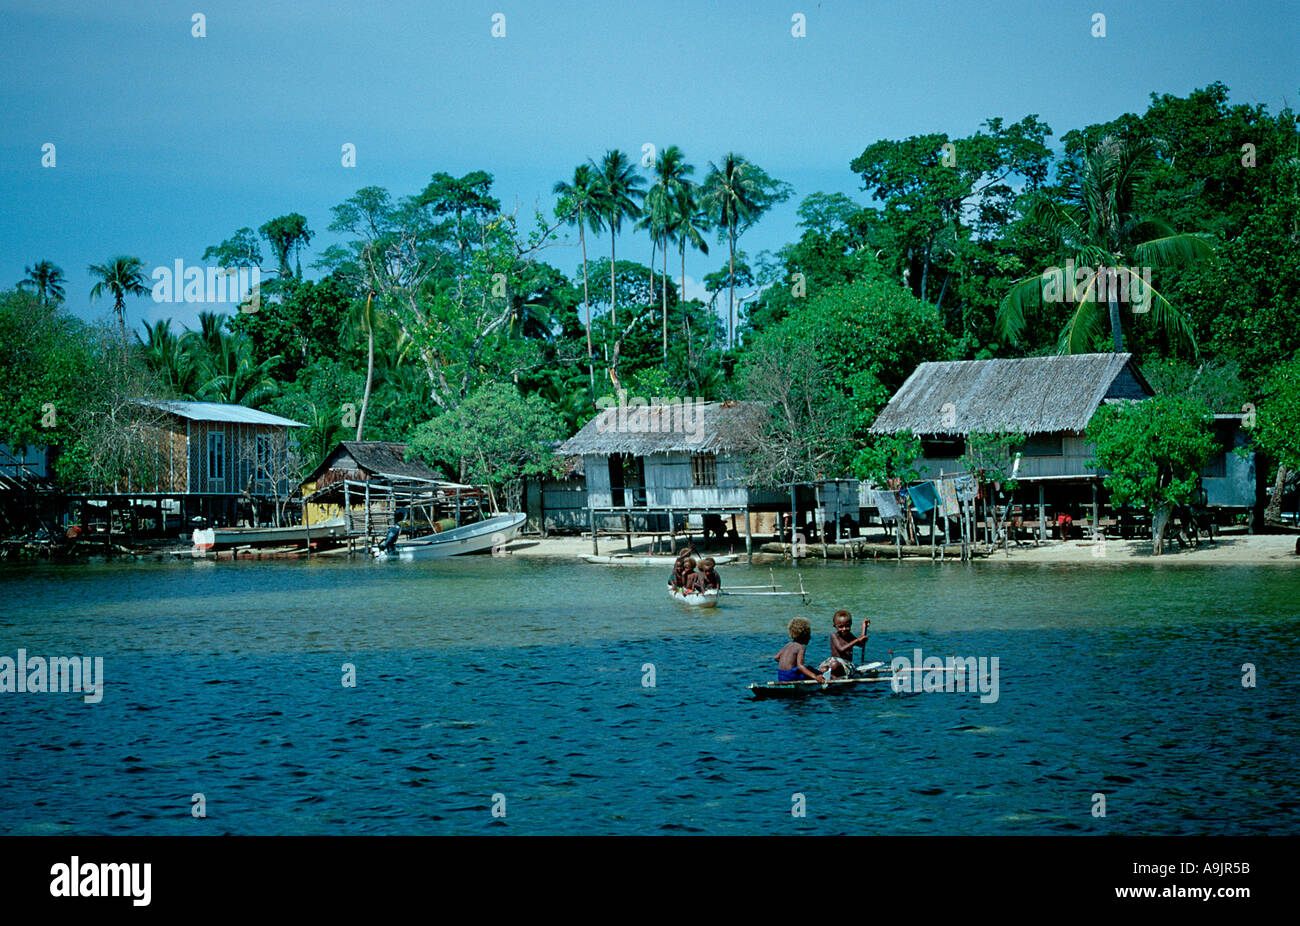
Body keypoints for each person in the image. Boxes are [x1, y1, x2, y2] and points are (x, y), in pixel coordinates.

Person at [819, 609, 869, 678]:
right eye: (841, 627)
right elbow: (841, 649)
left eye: (847, 626)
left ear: (851, 625)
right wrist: (857, 640)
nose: (844, 629)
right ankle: (829, 676)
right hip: (834, 661)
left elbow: (861, 644)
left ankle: (832, 676)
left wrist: (864, 626)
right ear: (835, 626)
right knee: (824, 668)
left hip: (845, 664)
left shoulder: (850, 635)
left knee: (834, 665)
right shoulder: (834, 635)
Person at [774, 617, 824, 683]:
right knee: (810, 670)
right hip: (791, 676)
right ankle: (823, 677)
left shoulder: (788, 644)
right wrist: (814, 676)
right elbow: (800, 666)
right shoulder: (801, 647)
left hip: (781, 676)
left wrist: (790, 664)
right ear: (805, 635)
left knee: (807, 669)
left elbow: (776, 658)